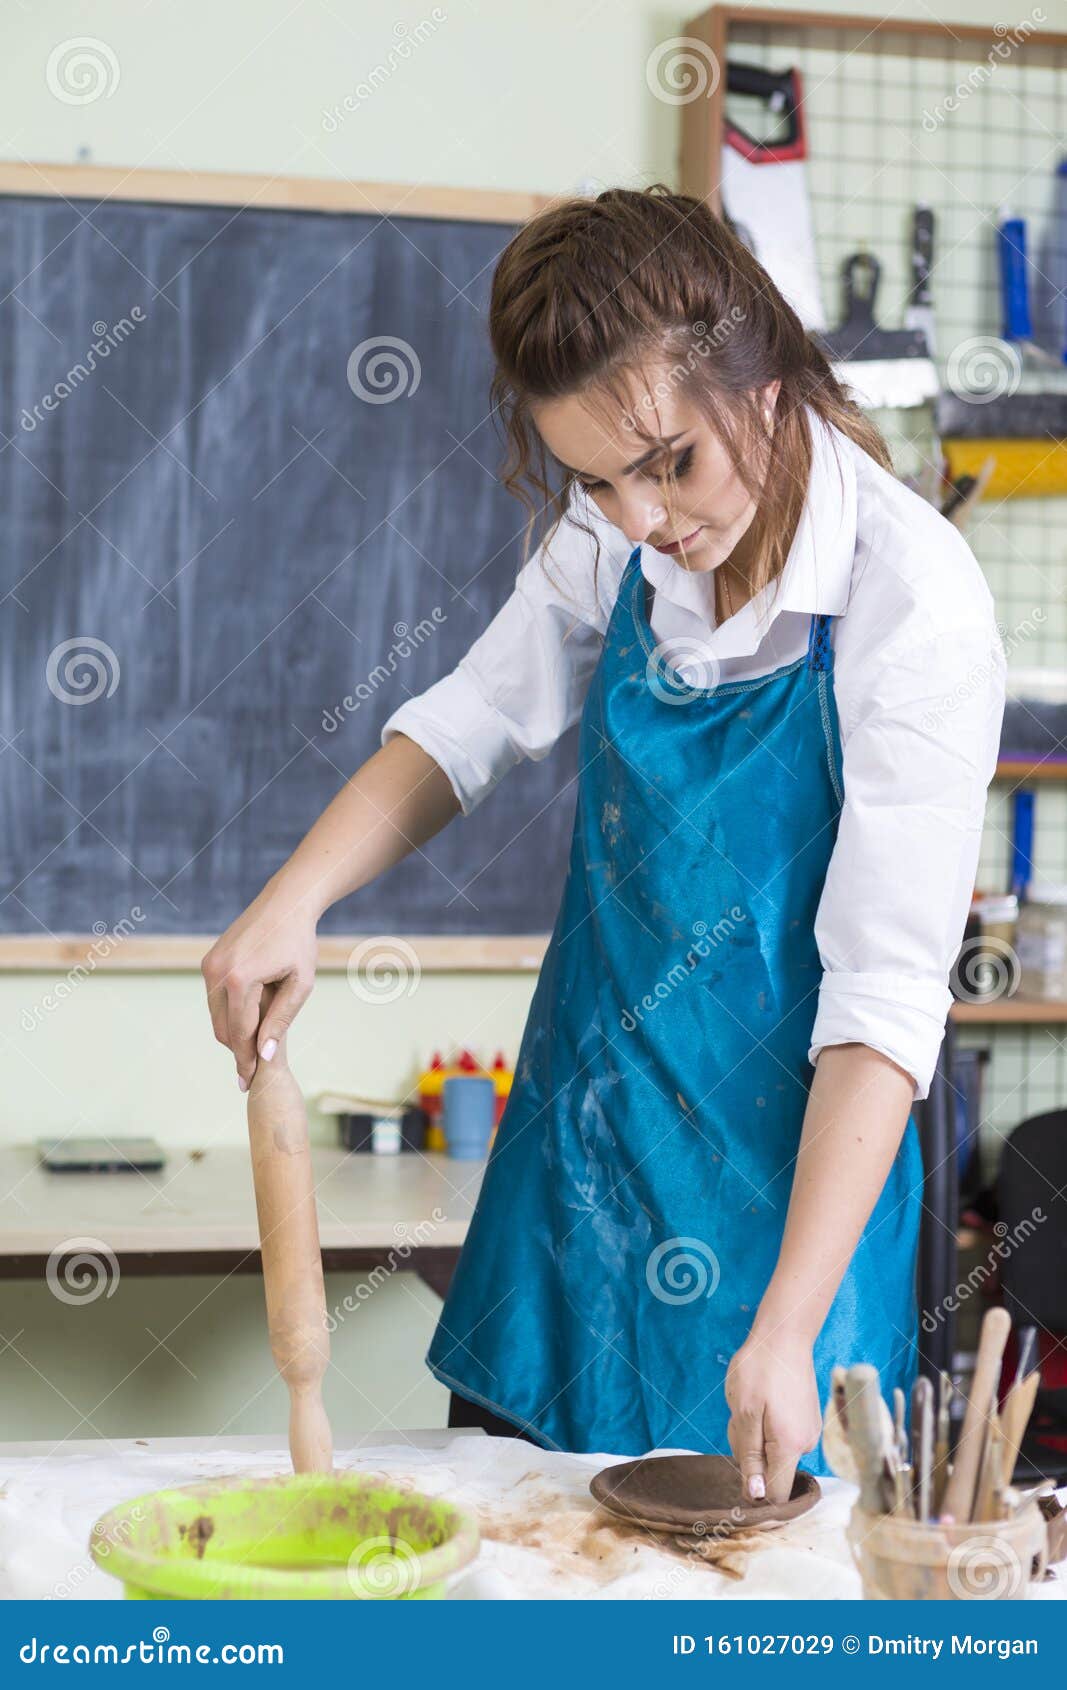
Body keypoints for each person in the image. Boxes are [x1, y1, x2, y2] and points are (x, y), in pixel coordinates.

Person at [203, 186, 1005, 1505]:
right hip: (576, 1175)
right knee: (506, 1565)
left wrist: (789, 1326)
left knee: (732, 1588)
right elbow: (474, 716)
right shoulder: (629, 528)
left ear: (762, 383)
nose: (635, 518)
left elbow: (884, 999)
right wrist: (295, 898)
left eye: (667, 465)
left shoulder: (911, 602)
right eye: (593, 479)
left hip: (779, 1227)